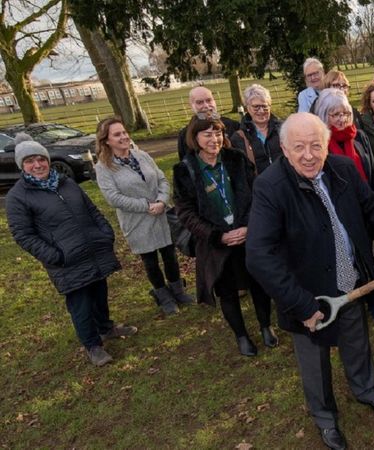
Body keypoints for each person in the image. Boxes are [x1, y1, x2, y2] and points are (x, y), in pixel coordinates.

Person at [245, 112, 374, 450]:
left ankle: (366, 390)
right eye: (299, 147)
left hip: (350, 280)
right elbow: (258, 255)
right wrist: (301, 305)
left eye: (316, 146)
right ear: (284, 148)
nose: (308, 155)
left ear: (327, 145)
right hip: (308, 295)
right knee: (315, 364)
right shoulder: (270, 186)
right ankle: (326, 419)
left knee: (357, 342)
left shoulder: (342, 168)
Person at [6, 134, 137, 367]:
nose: (37, 165)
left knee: (99, 293)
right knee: (81, 304)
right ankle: (92, 345)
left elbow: (91, 209)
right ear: (21, 166)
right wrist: (55, 256)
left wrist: (105, 233)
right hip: (66, 261)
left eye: (41, 159)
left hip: (93, 250)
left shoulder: (65, 182)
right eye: (30, 161)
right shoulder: (18, 196)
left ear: (47, 160)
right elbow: (23, 235)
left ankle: (105, 328)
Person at [173, 114, 277, 356]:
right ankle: (241, 336)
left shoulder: (236, 159)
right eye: (207, 134)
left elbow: (257, 193)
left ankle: (265, 325)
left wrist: (248, 226)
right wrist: (217, 236)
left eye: (218, 133)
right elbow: (185, 212)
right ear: (195, 138)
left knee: (258, 283)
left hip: (246, 236)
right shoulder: (184, 171)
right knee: (227, 291)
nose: (214, 139)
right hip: (216, 243)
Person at [95, 118, 194, 316]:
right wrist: (146, 206)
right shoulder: (103, 167)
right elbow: (113, 197)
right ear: (106, 141)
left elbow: (162, 180)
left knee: (170, 256)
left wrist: (162, 200)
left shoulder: (142, 156)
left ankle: (178, 291)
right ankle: (164, 297)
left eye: (124, 132)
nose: (123, 137)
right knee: (150, 261)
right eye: (117, 134)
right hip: (138, 221)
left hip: (161, 214)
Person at [314, 88, 374, 193]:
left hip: (369, 198)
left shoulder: (359, 136)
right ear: (323, 115)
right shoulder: (320, 144)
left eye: (346, 113)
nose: (342, 119)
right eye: (336, 114)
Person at [230, 84, 283, 174]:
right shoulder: (239, 138)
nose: (261, 111)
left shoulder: (283, 129)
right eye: (256, 107)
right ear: (247, 108)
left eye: (264, 106)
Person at [177, 86, 239, 160]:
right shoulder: (185, 134)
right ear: (191, 106)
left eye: (209, 100)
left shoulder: (233, 125)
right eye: (199, 102)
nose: (206, 106)